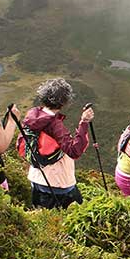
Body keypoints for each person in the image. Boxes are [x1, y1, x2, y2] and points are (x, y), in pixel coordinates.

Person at [19, 78, 93, 209]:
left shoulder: (33, 115)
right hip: (58, 184)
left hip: (36, 178)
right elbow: (74, 151)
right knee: (77, 213)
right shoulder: (54, 124)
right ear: (64, 102)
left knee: (44, 219)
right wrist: (84, 122)